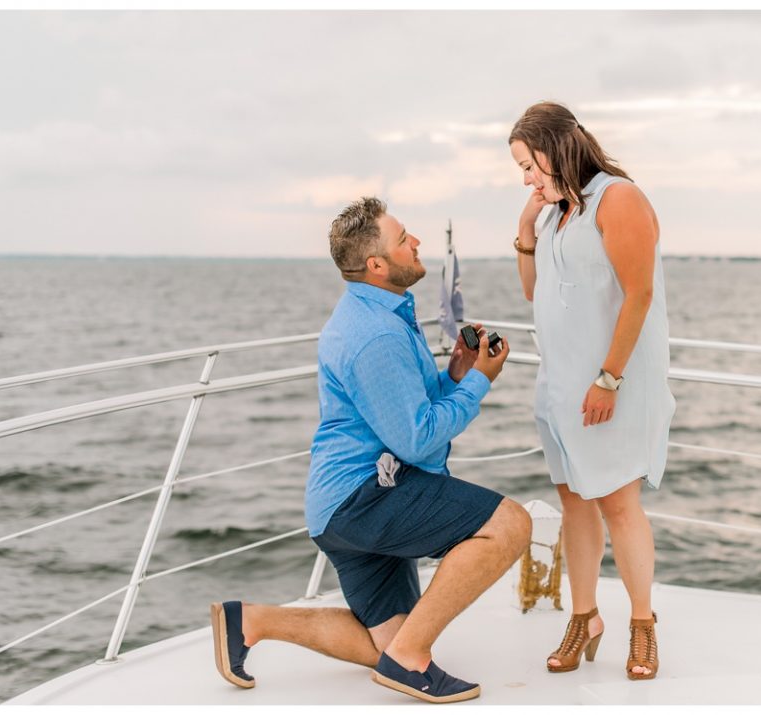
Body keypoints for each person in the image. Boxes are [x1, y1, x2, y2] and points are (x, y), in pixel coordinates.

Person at [208, 197, 530, 704]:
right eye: (404, 238)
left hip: (339, 510)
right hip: (366, 499)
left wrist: (456, 377)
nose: (417, 242)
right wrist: (481, 384)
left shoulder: (377, 312)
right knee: (511, 523)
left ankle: (251, 620)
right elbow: (418, 438)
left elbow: (407, 416)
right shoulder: (375, 333)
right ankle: (409, 662)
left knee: (386, 643)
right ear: (377, 264)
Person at [508, 101, 675, 680]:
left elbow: (639, 295)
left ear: (556, 149)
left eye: (529, 165)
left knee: (620, 505)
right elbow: (535, 293)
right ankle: (585, 616)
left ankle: (643, 624)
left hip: (609, 385)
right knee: (575, 504)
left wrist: (609, 378)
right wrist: (527, 228)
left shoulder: (617, 197)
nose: (527, 179)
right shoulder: (555, 213)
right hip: (558, 387)